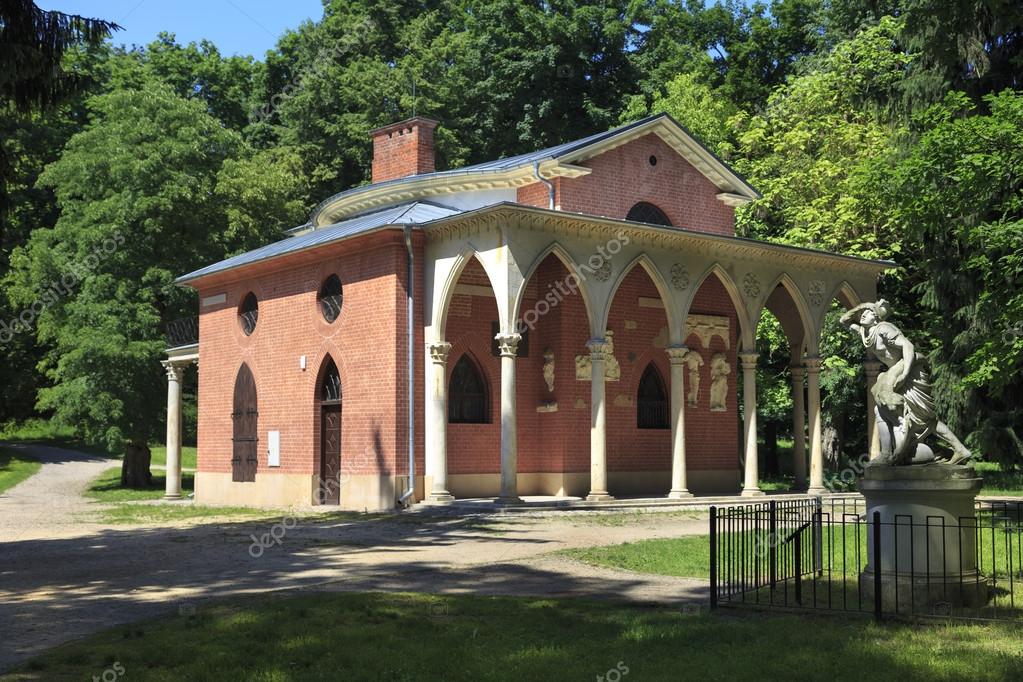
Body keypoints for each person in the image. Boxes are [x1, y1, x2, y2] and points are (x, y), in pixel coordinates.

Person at [841, 300, 972, 465]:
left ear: (875, 317)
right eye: (861, 314)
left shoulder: (883, 328)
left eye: (867, 313)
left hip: (909, 370)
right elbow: (844, 320)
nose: (862, 316)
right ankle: (887, 453)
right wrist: (864, 306)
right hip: (895, 372)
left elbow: (908, 346)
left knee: (921, 416)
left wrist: (905, 373)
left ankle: (899, 451)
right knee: (882, 409)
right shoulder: (865, 333)